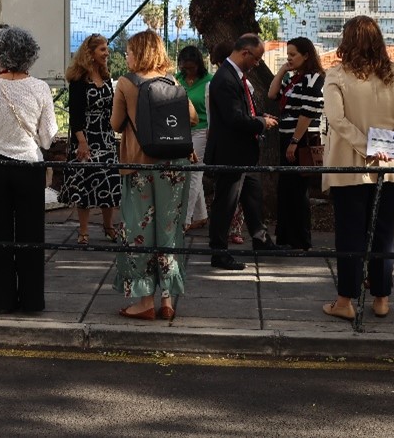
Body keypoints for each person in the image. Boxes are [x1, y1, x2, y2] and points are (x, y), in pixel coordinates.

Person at [321, 15, 394, 321]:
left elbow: (336, 120)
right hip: (389, 166)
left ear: (346, 41)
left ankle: (345, 300)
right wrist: (387, 148)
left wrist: (367, 146)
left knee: (349, 233)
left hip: (349, 165)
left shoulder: (336, 76)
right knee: (383, 232)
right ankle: (381, 297)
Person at [0, 25, 57, 313]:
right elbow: (47, 136)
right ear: (29, 54)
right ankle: (32, 300)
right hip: (30, 166)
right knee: (31, 234)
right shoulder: (40, 88)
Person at [110, 30, 196, 320]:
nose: (127, 56)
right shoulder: (172, 81)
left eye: (130, 51)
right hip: (174, 166)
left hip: (139, 166)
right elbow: (193, 117)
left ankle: (144, 301)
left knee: (139, 232)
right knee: (170, 232)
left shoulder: (126, 82)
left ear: (140, 53)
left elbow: (115, 123)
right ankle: (168, 300)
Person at [206, 33, 281, 270]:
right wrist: (260, 123)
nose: (257, 64)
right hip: (231, 153)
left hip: (243, 152)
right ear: (245, 53)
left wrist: (259, 117)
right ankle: (218, 252)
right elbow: (234, 118)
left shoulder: (235, 76)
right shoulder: (225, 79)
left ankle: (260, 239)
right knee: (225, 204)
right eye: (257, 58)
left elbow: (243, 111)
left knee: (253, 196)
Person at [58, 34, 121, 246]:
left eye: (106, 48)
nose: (107, 53)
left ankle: (109, 227)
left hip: (106, 137)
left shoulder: (105, 77)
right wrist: (82, 142)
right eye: (102, 49)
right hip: (85, 137)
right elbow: (75, 115)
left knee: (109, 181)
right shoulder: (78, 80)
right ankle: (83, 231)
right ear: (90, 53)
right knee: (84, 184)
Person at [268, 37, 324, 250]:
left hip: (300, 140)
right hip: (287, 138)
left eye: (293, 55)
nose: (289, 58)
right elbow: (272, 93)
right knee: (286, 188)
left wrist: (294, 141)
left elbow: (307, 113)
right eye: (288, 54)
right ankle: (285, 237)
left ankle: (300, 239)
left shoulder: (313, 79)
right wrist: (283, 69)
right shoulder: (295, 79)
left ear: (306, 55)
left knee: (298, 190)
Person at [176, 45, 212, 234]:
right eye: (185, 67)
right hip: (181, 131)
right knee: (188, 173)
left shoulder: (209, 81)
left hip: (201, 131)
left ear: (199, 64)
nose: (188, 71)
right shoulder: (177, 79)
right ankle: (201, 216)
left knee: (194, 173)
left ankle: (185, 219)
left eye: (192, 67)